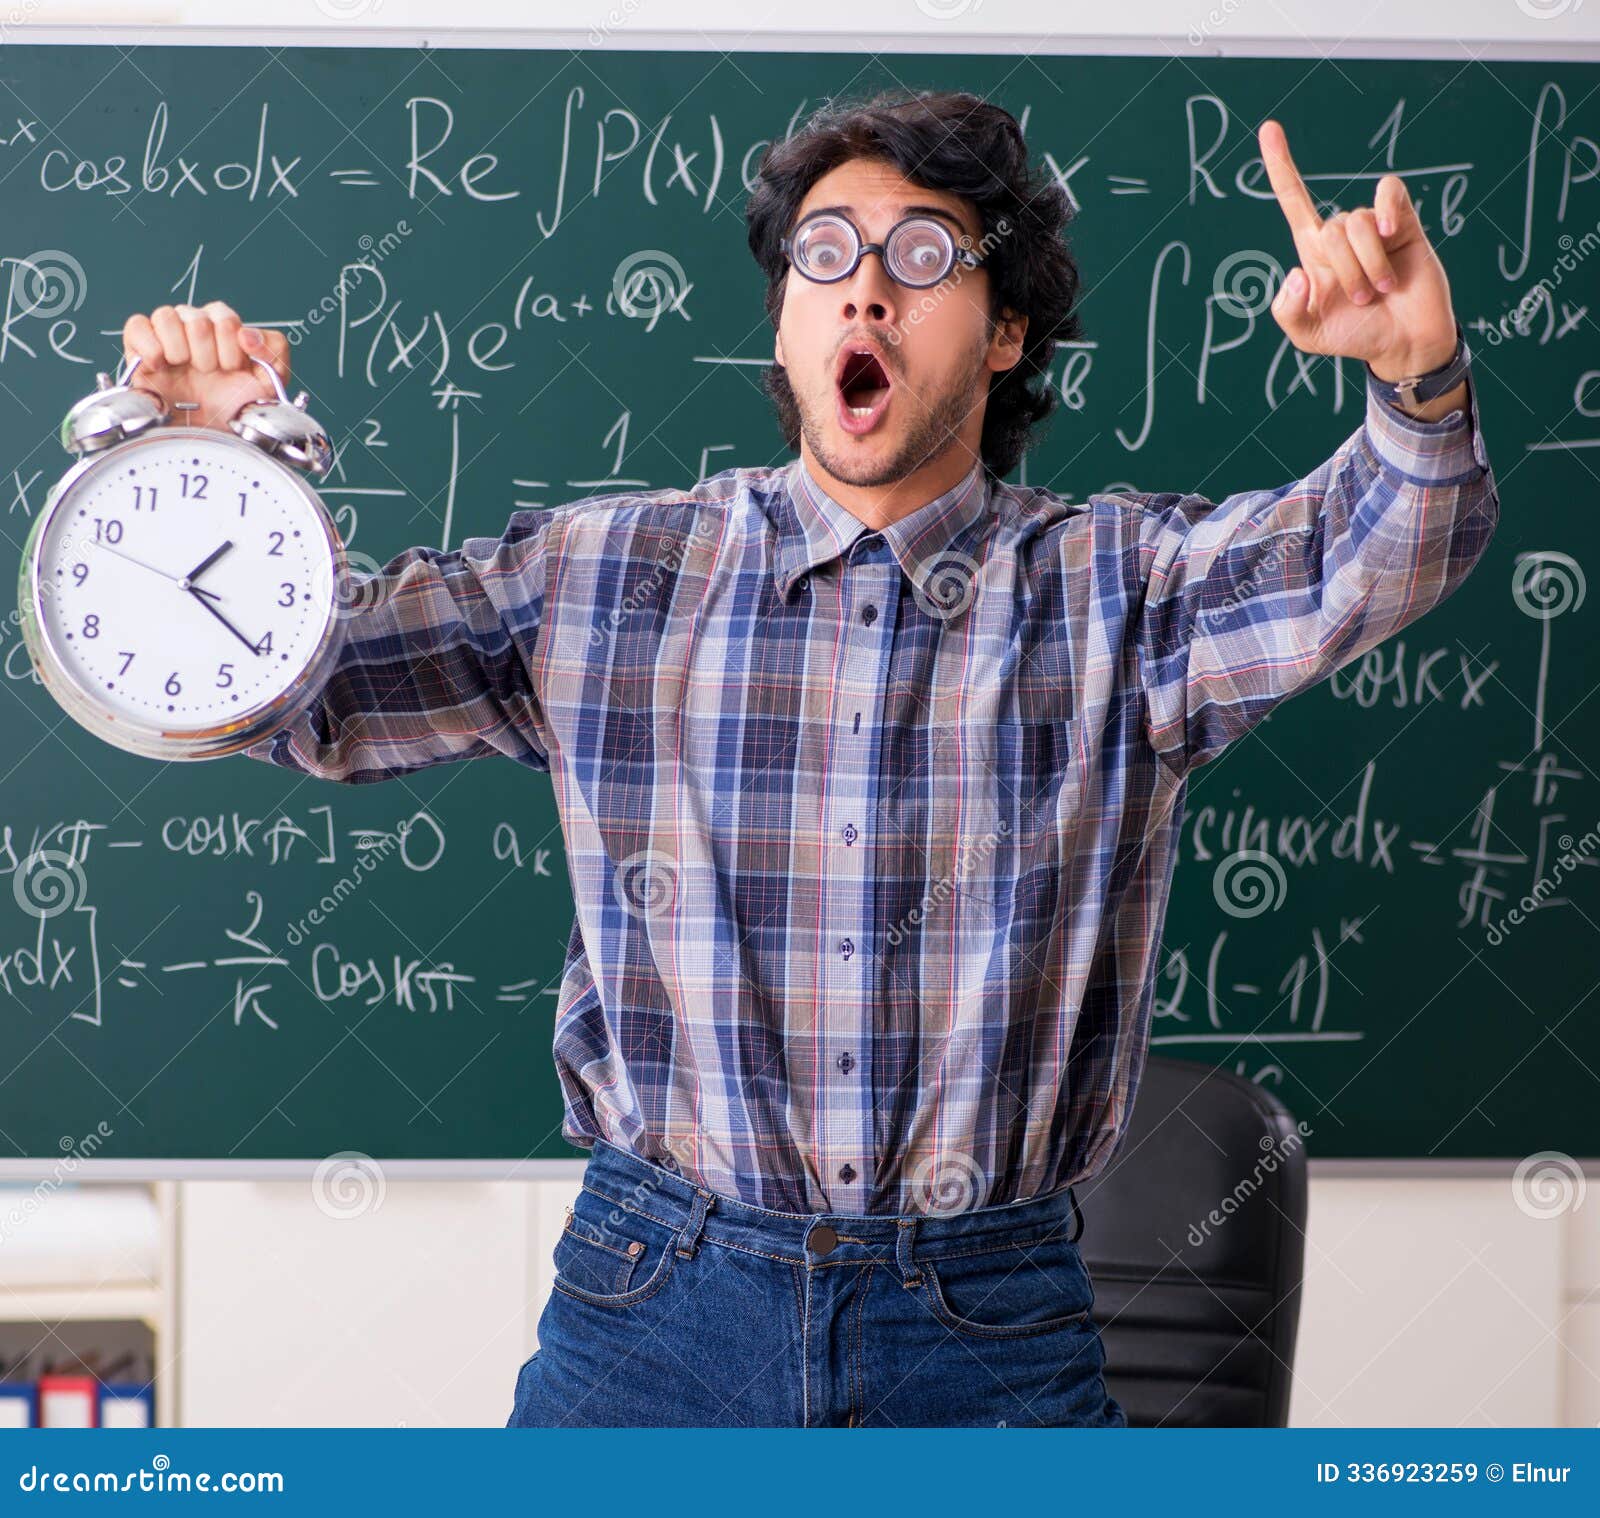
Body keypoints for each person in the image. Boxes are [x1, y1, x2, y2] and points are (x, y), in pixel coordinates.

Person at [119, 90, 1499, 1429]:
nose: (865, 293)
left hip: (987, 1331)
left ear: (1008, 328)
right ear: (784, 325)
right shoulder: (605, 579)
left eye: (923, 258)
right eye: (824, 256)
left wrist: (1414, 378)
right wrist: (218, 475)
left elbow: (1383, 544)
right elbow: (302, 694)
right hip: (654, 1315)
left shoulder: (1119, 595)